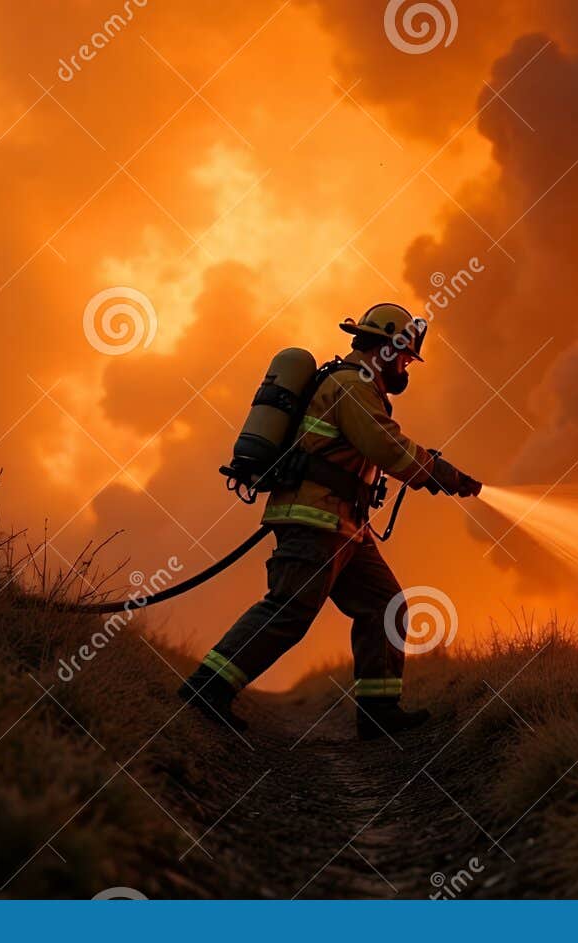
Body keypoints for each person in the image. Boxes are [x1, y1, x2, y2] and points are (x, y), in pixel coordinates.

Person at [180, 303, 482, 739]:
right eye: (403, 357)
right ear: (385, 349)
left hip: (345, 526)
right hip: (314, 518)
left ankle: (379, 711)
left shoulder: (360, 387)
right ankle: (207, 689)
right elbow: (386, 446)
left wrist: (434, 473)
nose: (405, 368)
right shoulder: (352, 385)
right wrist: (441, 473)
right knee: (289, 610)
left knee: (385, 604)